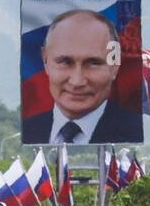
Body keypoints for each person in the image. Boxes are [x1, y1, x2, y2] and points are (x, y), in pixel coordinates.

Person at [20, 9, 141, 145]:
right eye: (65, 62)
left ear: (115, 66)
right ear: (45, 60)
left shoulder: (134, 135)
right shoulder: (27, 132)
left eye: (93, 63)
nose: (77, 81)